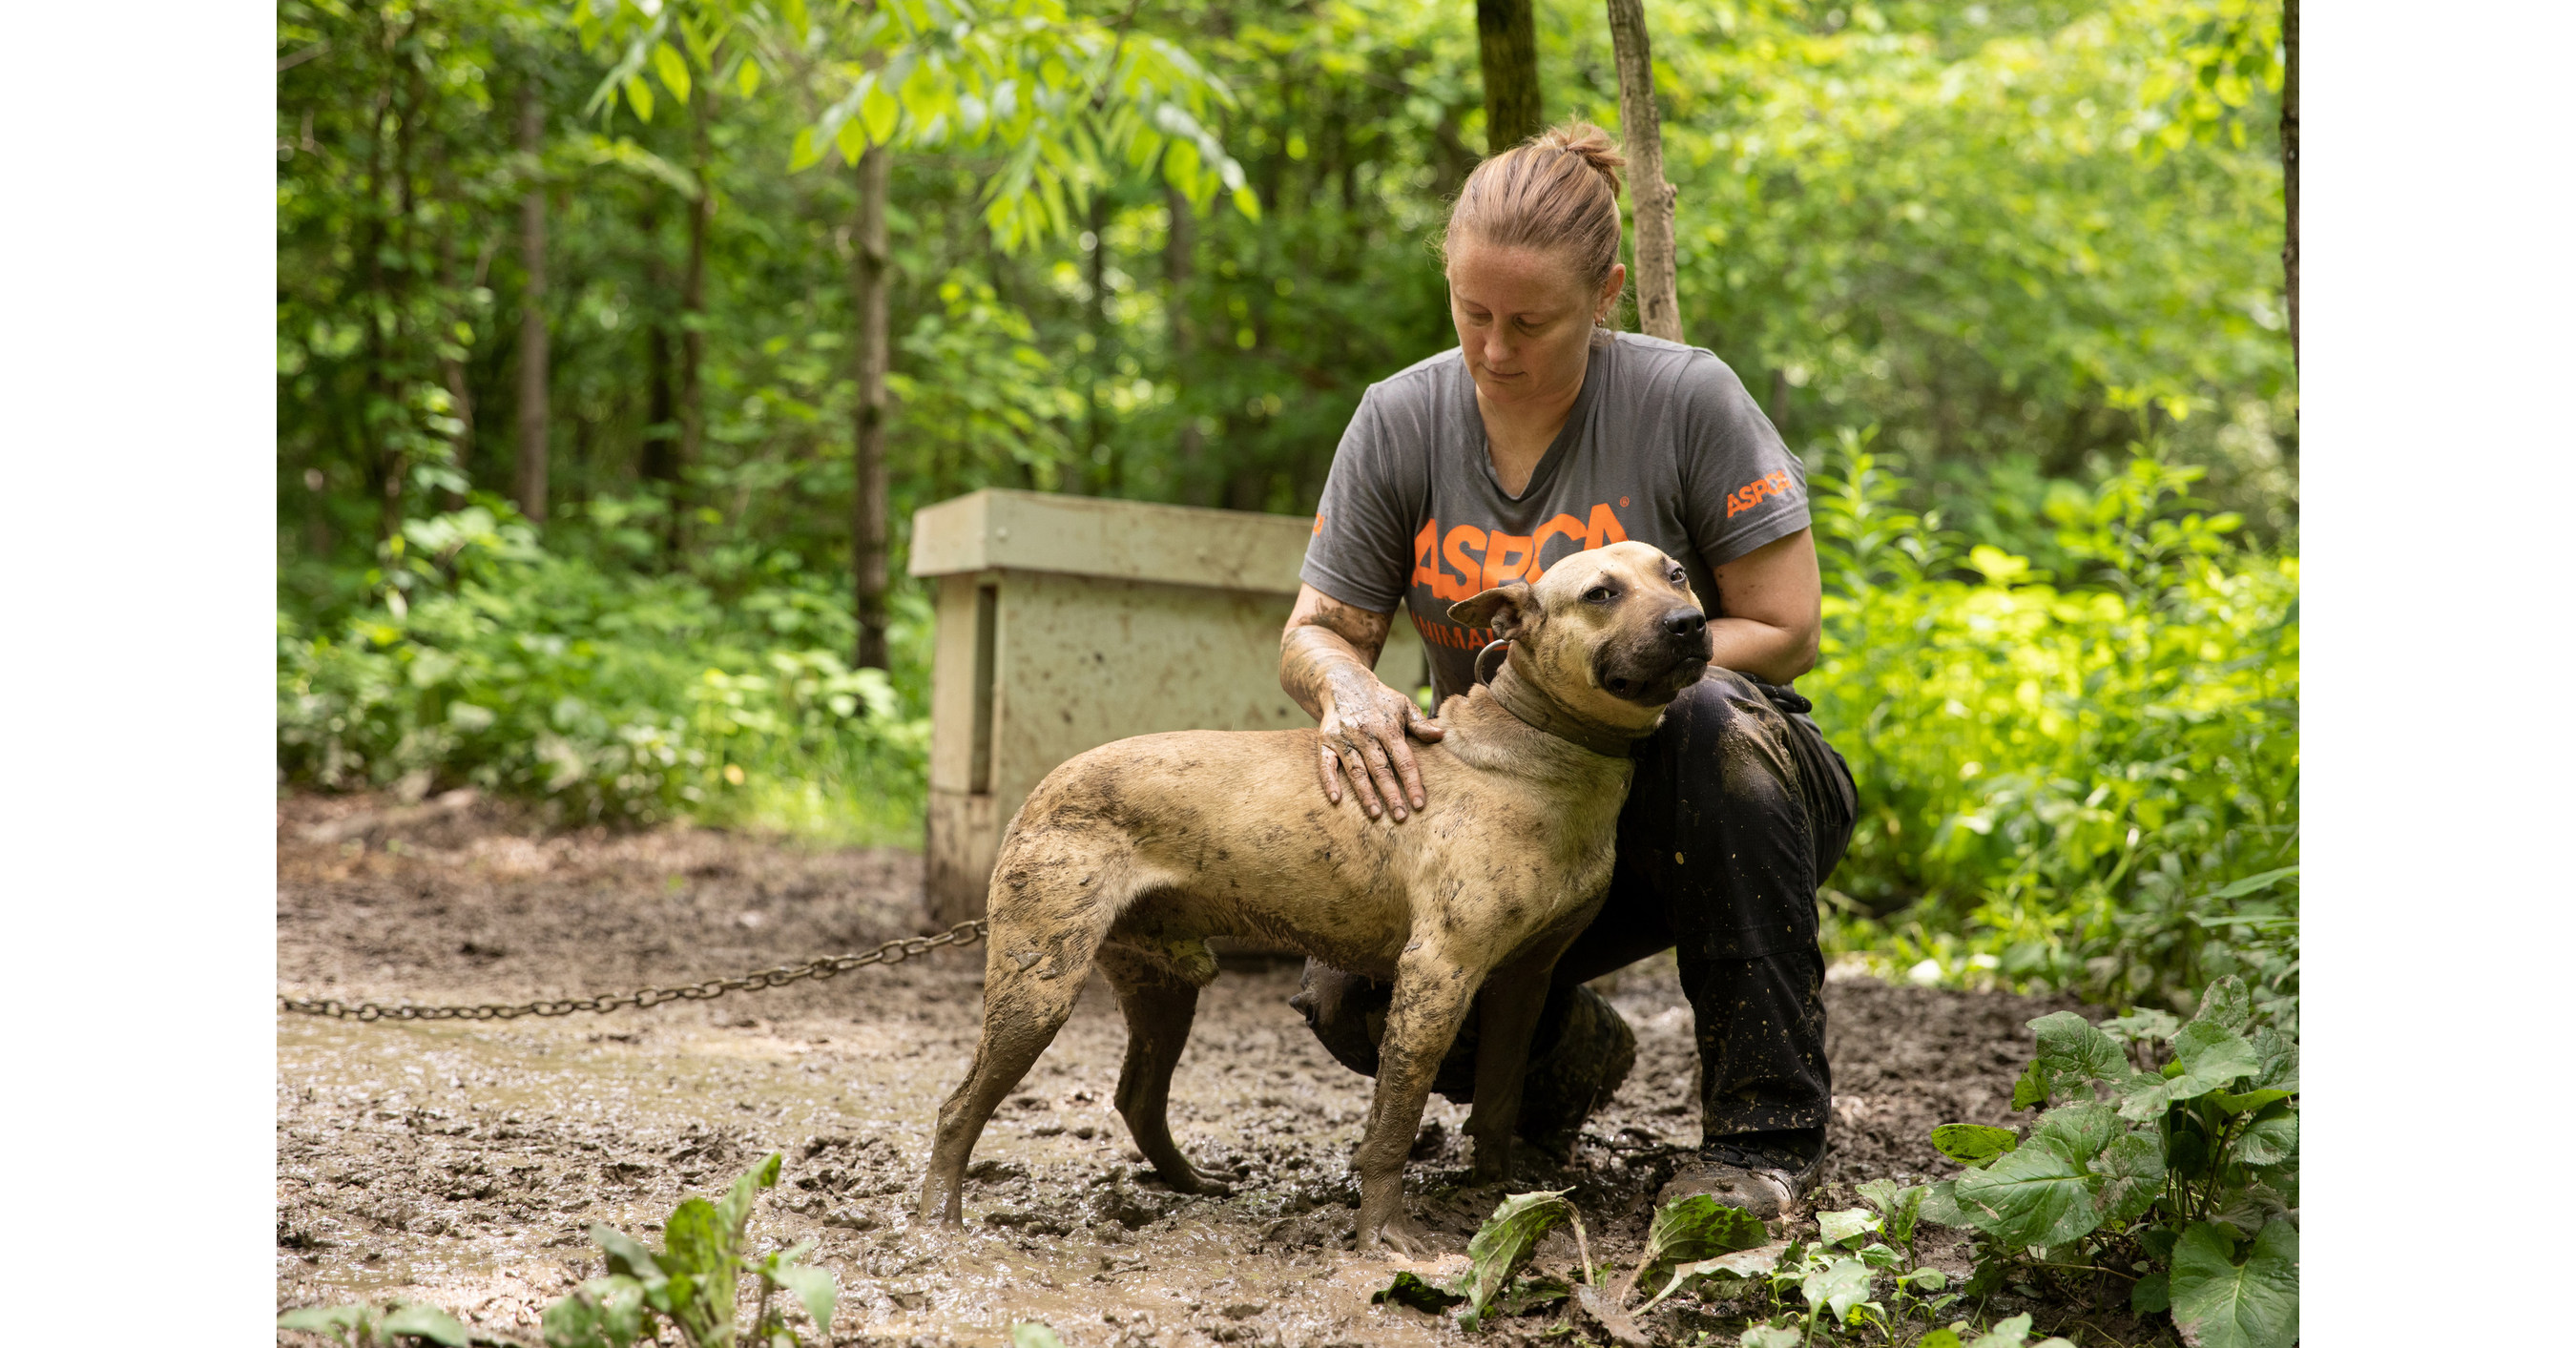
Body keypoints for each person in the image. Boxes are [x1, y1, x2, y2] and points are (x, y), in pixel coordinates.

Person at [1277, 121, 1858, 1219]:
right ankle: (1568, 1054)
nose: (1495, 349)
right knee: (1351, 998)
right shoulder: (1399, 419)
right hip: (1517, 812)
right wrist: (1346, 687)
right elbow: (1317, 630)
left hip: (1721, 798)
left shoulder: (1689, 398)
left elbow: (1787, 629)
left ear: (1606, 294)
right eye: (1472, 313)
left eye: (1530, 322)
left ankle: (1763, 1141)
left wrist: (1602, 677)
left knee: (1707, 715)